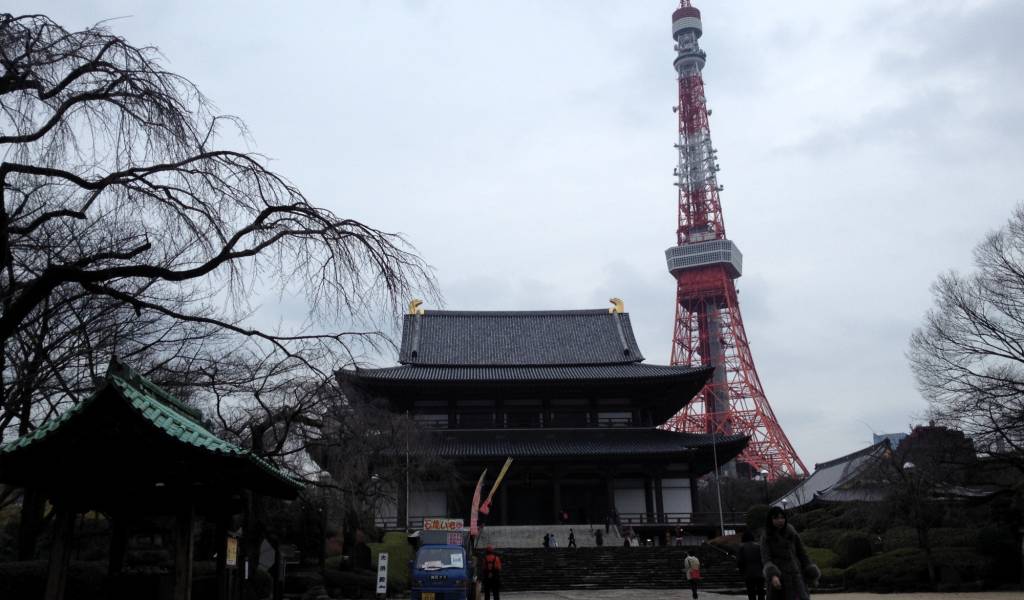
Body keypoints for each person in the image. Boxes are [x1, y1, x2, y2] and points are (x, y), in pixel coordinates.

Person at [761, 506, 819, 600]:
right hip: (779, 579)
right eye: (776, 518)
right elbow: (766, 558)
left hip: (796, 577)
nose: (780, 520)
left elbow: (802, 553)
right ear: (770, 520)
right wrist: (773, 575)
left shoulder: (791, 532)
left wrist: (810, 571)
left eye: (782, 517)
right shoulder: (766, 536)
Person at [737, 530, 766, 600]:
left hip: (748, 574)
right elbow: (764, 559)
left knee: (751, 592)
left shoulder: (742, 547)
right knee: (761, 591)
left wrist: (742, 572)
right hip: (760, 573)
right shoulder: (758, 546)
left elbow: (740, 562)